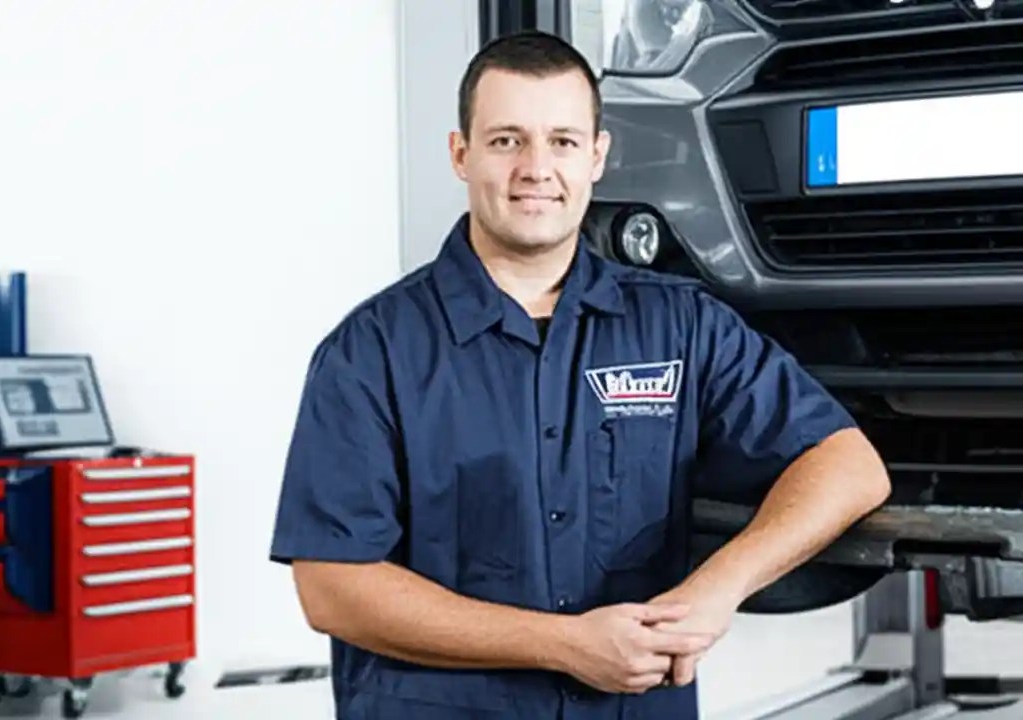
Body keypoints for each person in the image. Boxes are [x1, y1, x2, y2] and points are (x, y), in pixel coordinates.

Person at [268, 30, 891, 720]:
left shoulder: (681, 327)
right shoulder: (371, 352)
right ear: (460, 154)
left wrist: (714, 592)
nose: (536, 167)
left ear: (597, 157)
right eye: (507, 140)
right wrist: (561, 644)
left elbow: (848, 466)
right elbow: (331, 586)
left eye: (562, 141)